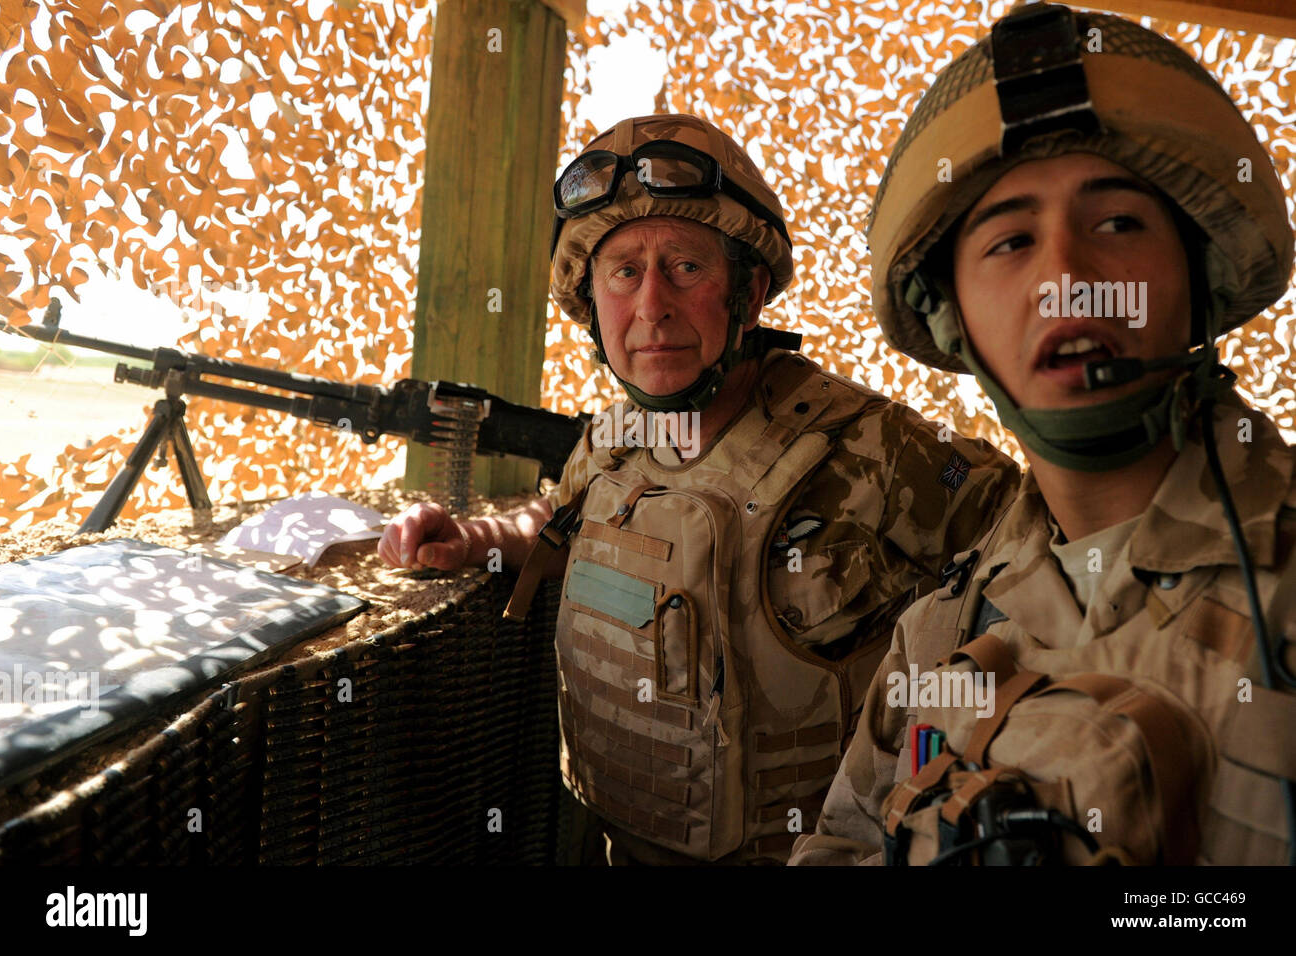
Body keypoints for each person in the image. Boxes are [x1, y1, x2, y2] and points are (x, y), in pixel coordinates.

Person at [380, 113, 1020, 864]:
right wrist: (483, 538)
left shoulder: (873, 447)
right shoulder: (612, 440)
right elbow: (561, 519)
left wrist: (934, 780)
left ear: (746, 294)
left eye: (685, 267)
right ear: (593, 305)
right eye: (624, 273)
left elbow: (1040, 573)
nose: (652, 306)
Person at [789, 2, 1296, 866]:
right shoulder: (939, 635)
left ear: (1197, 276)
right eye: (1012, 241)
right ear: (954, 322)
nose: (1066, 277)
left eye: (1118, 224)